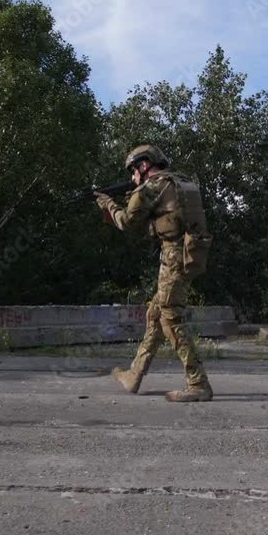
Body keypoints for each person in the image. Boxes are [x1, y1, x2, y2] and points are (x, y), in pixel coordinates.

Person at [95, 145, 214, 402]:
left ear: (144, 164)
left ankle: (198, 382)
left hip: (174, 256)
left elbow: (127, 222)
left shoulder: (151, 187)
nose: (132, 177)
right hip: (191, 252)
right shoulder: (181, 181)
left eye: (133, 171)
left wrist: (108, 204)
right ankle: (135, 374)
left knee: (170, 317)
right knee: (156, 313)